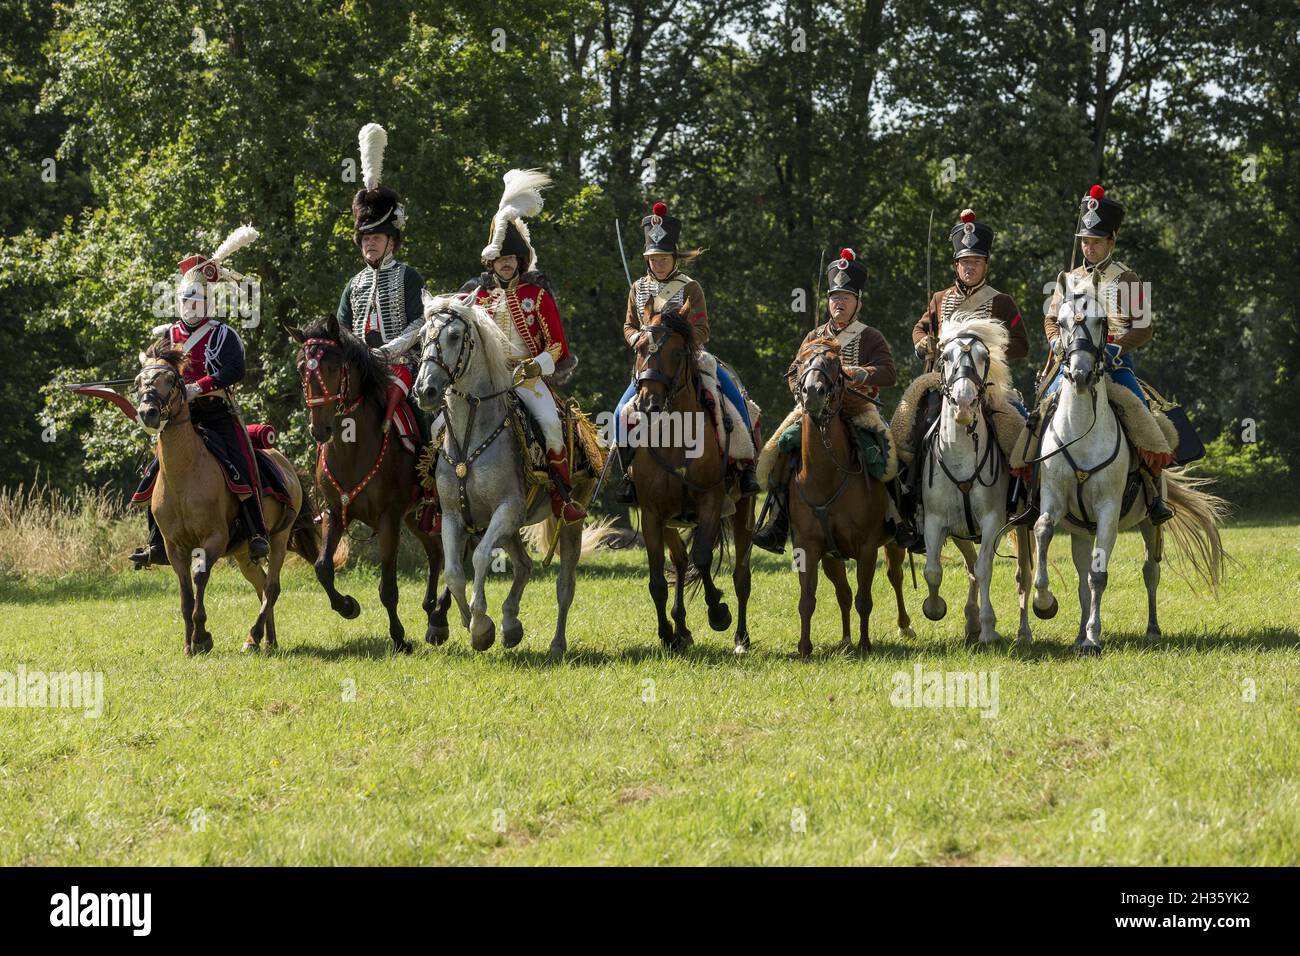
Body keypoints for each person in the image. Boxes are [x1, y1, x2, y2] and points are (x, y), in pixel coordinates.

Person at [1016, 184, 1174, 525]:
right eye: (1085, 241)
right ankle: (1029, 495)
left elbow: (1145, 329)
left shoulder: (1128, 278)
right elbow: (1049, 320)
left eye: (1096, 241)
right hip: (1072, 361)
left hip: (1115, 365)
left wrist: (1116, 348)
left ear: (1111, 242)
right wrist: (1058, 342)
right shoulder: (1067, 279)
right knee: (1038, 415)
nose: (1089, 247)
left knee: (1142, 413)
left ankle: (1154, 494)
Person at [129, 226, 270, 568]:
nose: (190, 305)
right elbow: (151, 367)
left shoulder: (224, 333)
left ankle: (255, 533)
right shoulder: (166, 335)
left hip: (215, 411)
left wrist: (199, 387)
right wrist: (146, 369)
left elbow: (234, 371)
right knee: (154, 474)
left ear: (208, 301)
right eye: (184, 299)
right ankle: (156, 544)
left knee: (243, 463)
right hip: (176, 417)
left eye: (196, 299)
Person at [896, 208, 1033, 547]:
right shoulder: (940, 299)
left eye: (976, 261)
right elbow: (920, 328)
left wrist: (989, 352)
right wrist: (922, 343)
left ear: (985, 265)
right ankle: (912, 508)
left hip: (988, 386)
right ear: (956, 265)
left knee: (1021, 432)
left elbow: (1023, 345)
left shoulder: (1001, 301)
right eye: (964, 262)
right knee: (906, 431)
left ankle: (1020, 501)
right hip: (941, 385)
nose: (969, 267)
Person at [613, 201, 759, 504]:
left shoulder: (691, 288)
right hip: (650, 365)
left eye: (664, 257)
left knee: (734, 401)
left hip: (689, 360)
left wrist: (680, 342)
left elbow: (703, 330)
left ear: (674, 256)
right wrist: (637, 338)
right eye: (654, 258)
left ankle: (745, 466)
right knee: (618, 415)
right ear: (647, 258)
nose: (659, 263)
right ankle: (629, 476)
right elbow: (628, 326)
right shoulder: (637, 288)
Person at [460, 169, 585, 522]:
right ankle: (439, 499)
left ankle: (561, 495)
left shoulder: (537, 295)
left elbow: (558, 345)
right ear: (491, 262)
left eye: (511, 259)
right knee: (443, 425)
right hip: (485, 380)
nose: (505, 264)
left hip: (527, 377)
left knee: (549, 423)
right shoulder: (478, 296)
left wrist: (536, 366)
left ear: (520, 260)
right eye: (500, 259)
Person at [752, 248, 896, 553]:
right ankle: (778, 523)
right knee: (779, 451)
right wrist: (801, 392)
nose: (838, 303)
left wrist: (862, 373)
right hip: (813, 412)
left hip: (858, 410)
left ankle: (899, 519)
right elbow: (793, 371)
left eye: (845, 297)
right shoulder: (814, 336)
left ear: (858, 301)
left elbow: (888, 373)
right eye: (834, 297)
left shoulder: (871, 337)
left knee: (890, 456)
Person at [336, 123, 428, 451]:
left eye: (376, 237)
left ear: (391, 241)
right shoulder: (354, 283)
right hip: (362, 369)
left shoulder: (409, 276)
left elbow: (421, 323)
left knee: (426, 413)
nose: (369, 243)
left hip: (404, 364)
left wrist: (389, 351)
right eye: (365, 239)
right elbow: (341, 328)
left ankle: (432, 476)